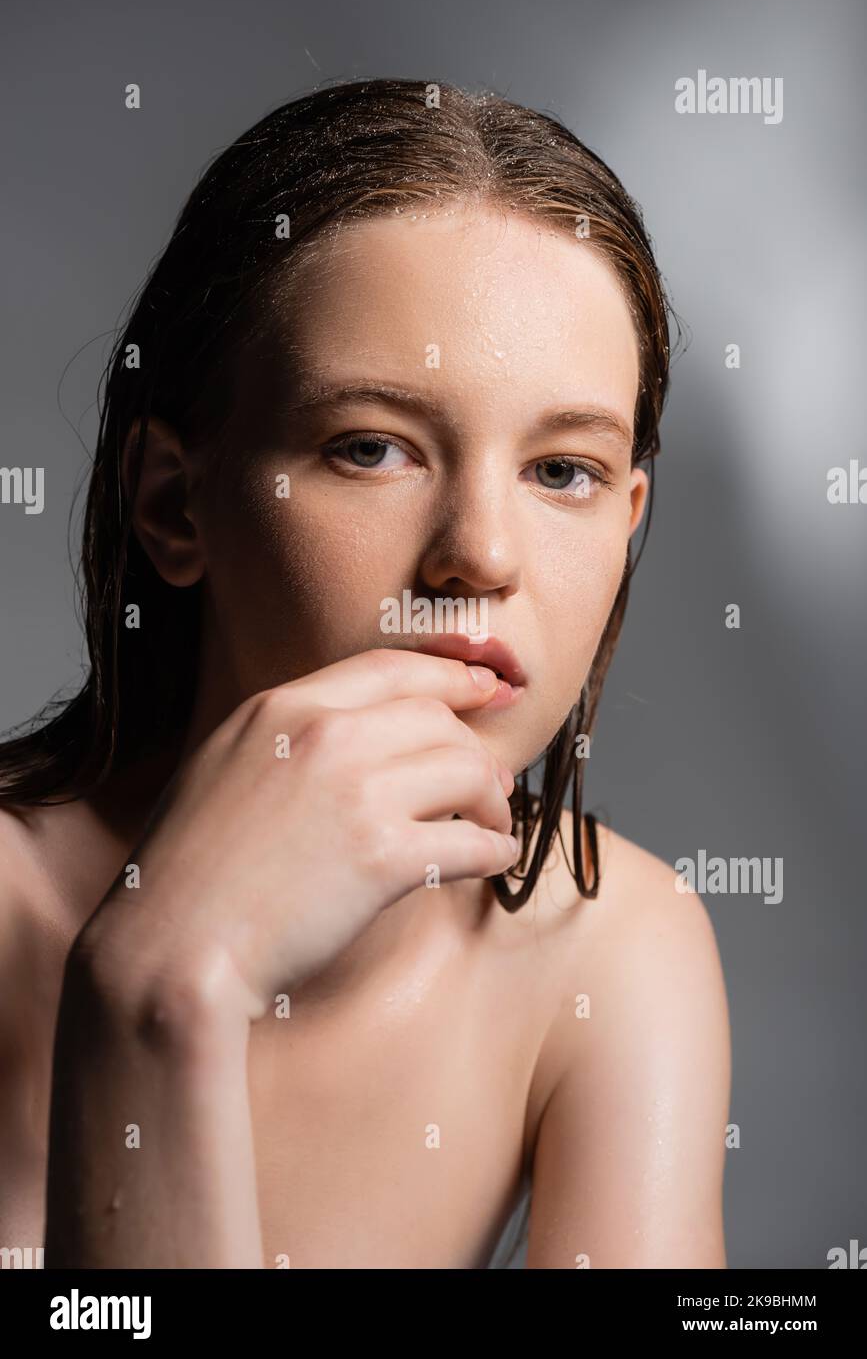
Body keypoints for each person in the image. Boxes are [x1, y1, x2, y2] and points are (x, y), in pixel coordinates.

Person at [0, 77, 731, 1269]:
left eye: (564, 471)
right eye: (372, 447)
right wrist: (161, 987)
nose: (483, 554)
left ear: (630, 516)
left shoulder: (613, 947)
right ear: (176, 502)